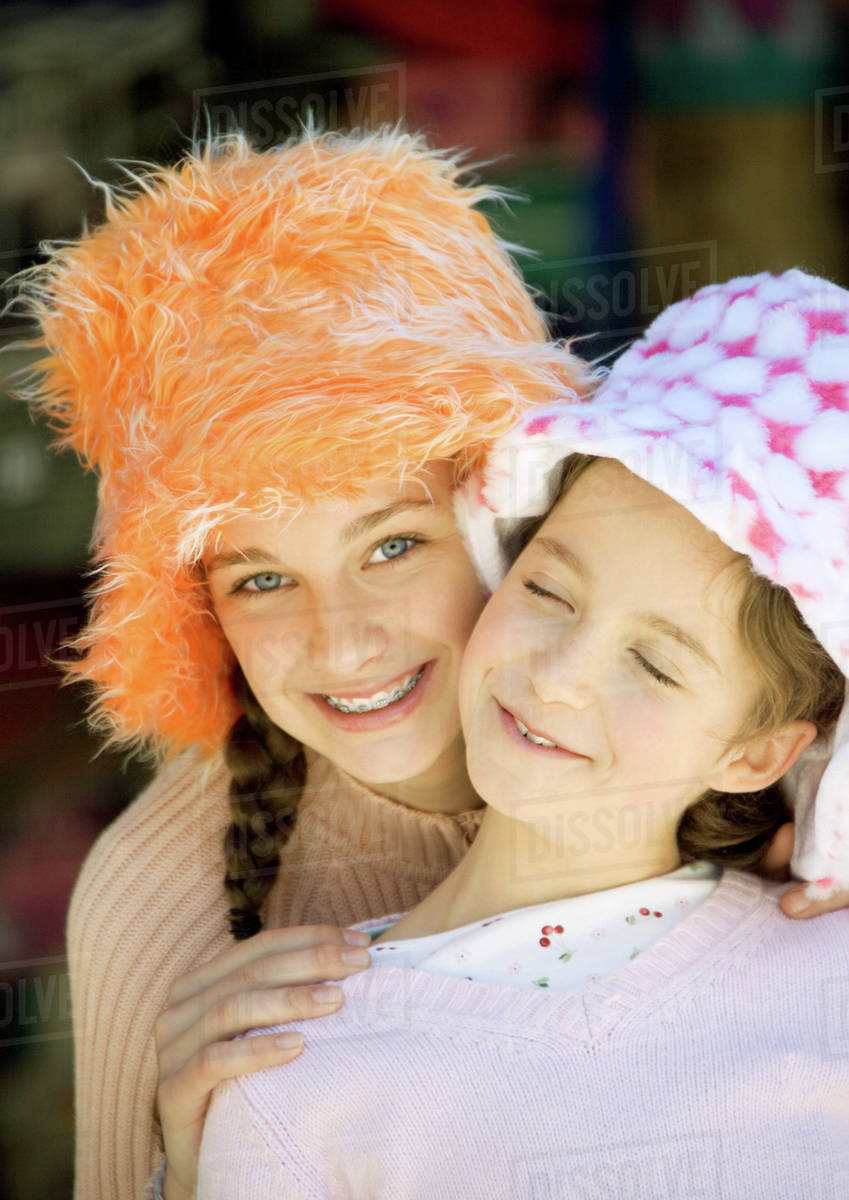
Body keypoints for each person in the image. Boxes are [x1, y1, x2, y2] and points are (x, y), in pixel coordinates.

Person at [9, 126, 594, 1200]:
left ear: (508, 510)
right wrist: (184, 1171)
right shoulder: (158, 903)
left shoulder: (682, 734)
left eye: (392, 545)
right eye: (261, 579)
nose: (341, 642)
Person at [195, 270, 849, 1199]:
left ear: (756, 755)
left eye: (655, 664)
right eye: (545, 591)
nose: (556, 673)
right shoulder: (294, 1083)